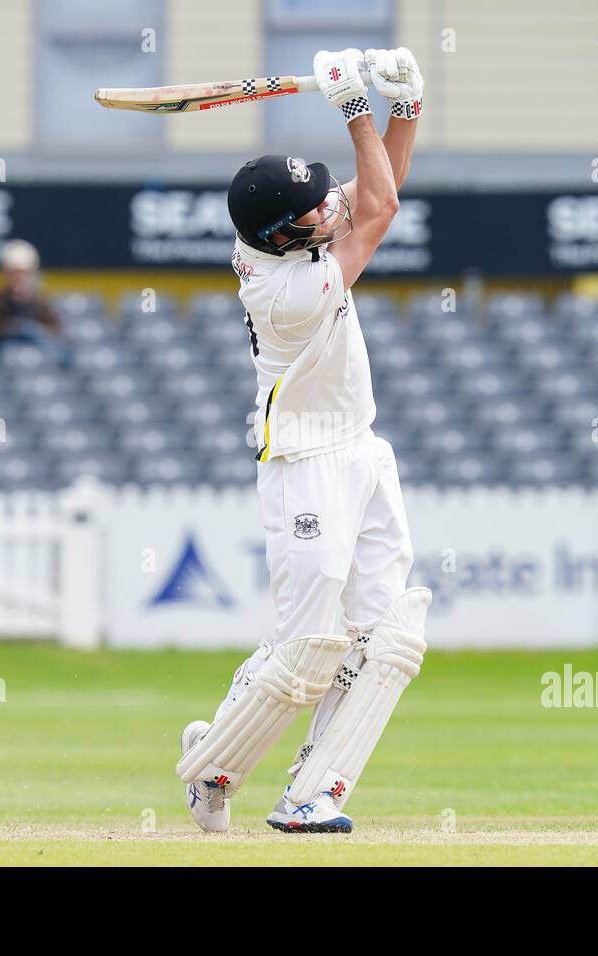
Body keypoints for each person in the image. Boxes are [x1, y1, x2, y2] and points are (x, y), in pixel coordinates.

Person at [176, 48, 430, 834]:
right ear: (283, 235)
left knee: (388, 639)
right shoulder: (287, 290)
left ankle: (314, 794)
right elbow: (381, 210)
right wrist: (355, 109)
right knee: (312, 644)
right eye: (319, 211)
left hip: (362, 446)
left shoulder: (297, 235)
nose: (334, 211)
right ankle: (210, 770)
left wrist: (404, 106)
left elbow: (378, 189)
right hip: (305, 459)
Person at [0, 239, 69, 366]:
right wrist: (14, 328)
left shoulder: (40, 303)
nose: (19, 278)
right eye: (14, 274)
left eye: (24, 274)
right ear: (5, 275)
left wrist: (32, 330)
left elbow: (55, 330)